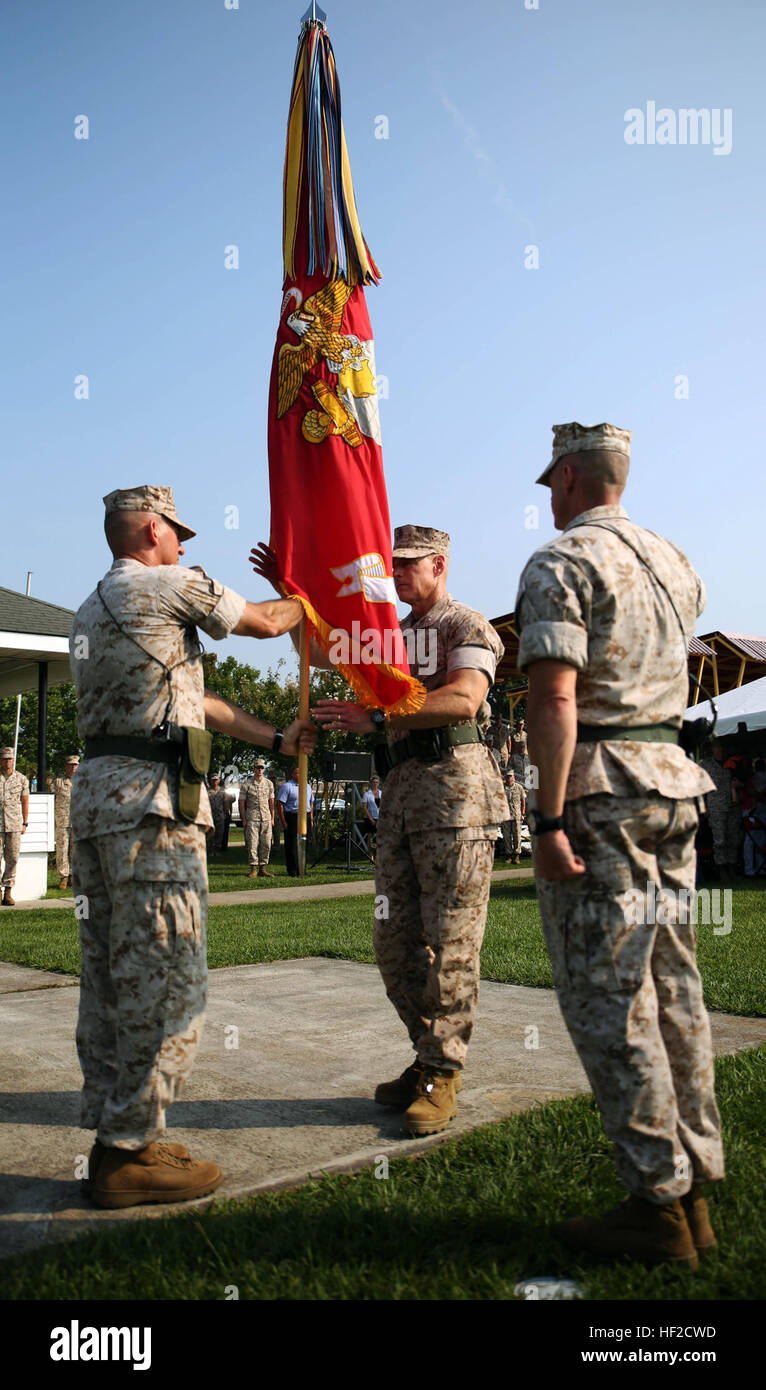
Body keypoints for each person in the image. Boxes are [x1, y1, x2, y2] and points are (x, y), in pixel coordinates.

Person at [69, 484, 316, 1209]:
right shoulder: (169, 585)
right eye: (177, 533)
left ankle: (122, 1134)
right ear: (152, 530)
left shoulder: (95, 607)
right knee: (167, 974)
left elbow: (196, 703)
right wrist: (304, 591)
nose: (183, 546)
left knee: (112, 978)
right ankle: (127, 1154)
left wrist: (274, 738)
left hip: (100, 805)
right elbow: (269, 624)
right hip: (153, 809)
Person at [516, 421, 723, 1269]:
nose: (549, 498)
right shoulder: (674, 559)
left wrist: (549, 818)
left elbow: (555, 699)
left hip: (604, 790)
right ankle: (694, 1182)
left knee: (611, 996)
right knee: (674, 984)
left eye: (550, 482)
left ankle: (656, 1203)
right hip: (673, 782)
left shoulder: (561, 562)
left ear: (568, 476)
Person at [310, 525, 507, 1137]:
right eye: (389, 565)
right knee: (394, 944)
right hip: (399, 802)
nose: (394, 575)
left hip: (455, 798)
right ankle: (429, 1056)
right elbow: (320, 650)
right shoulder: (388, 633)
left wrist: (375, 713)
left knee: (452, 944)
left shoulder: (465, 625)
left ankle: (442, 1073)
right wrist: (300, 593)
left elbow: (463, 700)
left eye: (406, 565)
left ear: (439, 564)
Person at [700, 742, 741, 881]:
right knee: (720, 840)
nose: (721, 748)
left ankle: (732, 867)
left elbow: (740, 780)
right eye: (718, 746)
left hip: (733, 806)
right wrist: (703, 806)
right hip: (716, 807)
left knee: (733, 839)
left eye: (722, 746)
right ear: (712, 748)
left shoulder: (730, 763)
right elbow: (700, 787)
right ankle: (721, 869)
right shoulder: (706, 765)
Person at [0, 747, 30, 907]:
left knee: (12, 858)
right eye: (4, 758)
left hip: (14, 824)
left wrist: (25, 822)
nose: (7, 761)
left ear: (13, 760)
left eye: (9, 759)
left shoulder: (21, 779)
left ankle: (8, 892)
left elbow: (25, 801)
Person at [277, 767, 314, 876]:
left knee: (305, 844)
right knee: (292, 845)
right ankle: (292, 870)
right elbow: (280, 804)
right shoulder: (287, 786)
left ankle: (302, 869)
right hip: (292, 817)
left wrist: (311, 818)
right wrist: (283, 821)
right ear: (293, 774)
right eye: (298, 773)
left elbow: (311, 803)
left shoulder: (307, 786)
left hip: (305, 817)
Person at [241, 759, 275, 878]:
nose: (260, 770)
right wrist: (243, 819)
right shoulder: (247, 784)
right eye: (257, 767)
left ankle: (263, 868)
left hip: (266, 817)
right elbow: (241, 802)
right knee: (252, 843)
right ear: (253, 769)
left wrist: (272, 817)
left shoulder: (269, 783)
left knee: (266, 843)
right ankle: (253, 868)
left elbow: (271, 801)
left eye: (261, 767)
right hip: (252, 818)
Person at [51, 755, 79, 889]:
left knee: (76, 850)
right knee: (62, 850)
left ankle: (73, 876)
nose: (73, 767)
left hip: (78, 821)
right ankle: (63, 877)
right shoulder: (57, 782)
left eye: (75, 765)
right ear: (66, 766)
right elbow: (51, 799)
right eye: (70, 765)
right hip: (62, 820)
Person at [501, 767, 526, 863]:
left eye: (510, 776)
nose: (509, 778)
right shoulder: (502, 787)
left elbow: (523, 801)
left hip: (516, 815)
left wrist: (523, 813)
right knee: (506, 836)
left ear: (514, 777)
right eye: (507, 776)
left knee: (517, 836)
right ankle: (508, 855)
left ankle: (516, 856)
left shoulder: (519, 787)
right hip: (505, 815)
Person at [205, 773, 228, 857]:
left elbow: (225, 803)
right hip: (209, 816)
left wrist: (226, 813)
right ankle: (210, 851)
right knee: (210, 834)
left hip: (220, 815)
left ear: (218, 781)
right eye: (213, 780)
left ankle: (217, 850)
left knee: (219, 833)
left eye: (216, 780)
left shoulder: (222, 791)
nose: (215, 781)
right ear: (210, 781)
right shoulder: (206, 791)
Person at [362, 775, 381, 859]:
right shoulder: (367, 794)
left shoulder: (382, 793)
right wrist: (371, 818)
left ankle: (378, 855)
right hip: (370, 818)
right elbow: (364, 807)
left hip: (380, 818)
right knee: (370, 837)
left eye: (377, 782)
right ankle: (371, 855)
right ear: (371, 783)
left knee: (379, 837)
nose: (375, 784)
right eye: (374, 782)